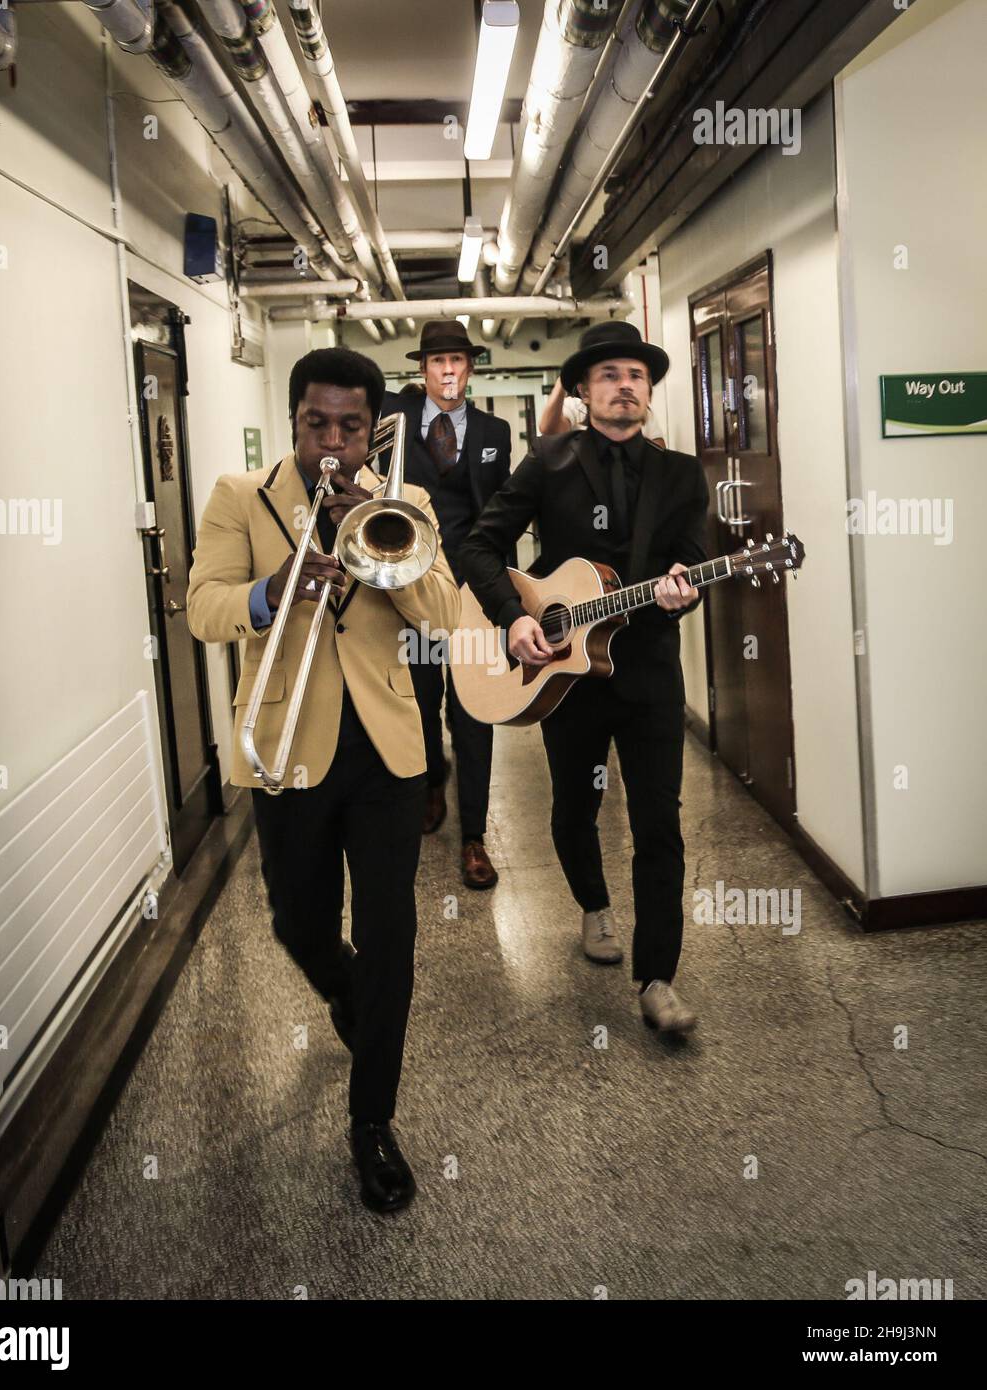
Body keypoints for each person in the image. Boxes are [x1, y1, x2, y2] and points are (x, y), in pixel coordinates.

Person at [186, 347, 460, 1213]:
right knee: (298, 923)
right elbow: (202, 609)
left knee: (392, 938)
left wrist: (383, 540)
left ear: (369, 426)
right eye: (316, 425)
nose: (331, 444)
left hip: (383, 755)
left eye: (349, 426)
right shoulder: (241, 497)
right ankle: (346, 994)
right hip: (286, 744)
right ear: (293, 417)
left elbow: (447, 616)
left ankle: (371, 1122)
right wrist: (272, 590)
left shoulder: (403, 501)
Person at [459, 322, 708, 1034]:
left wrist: (686, 587)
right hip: (564, 675)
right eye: (607, 375)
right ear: (581, 392)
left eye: (634, 374)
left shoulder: (681, 474)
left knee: (659, 823)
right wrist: (512, 615)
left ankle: (657, 976)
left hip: (651, 673)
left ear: (649, 389)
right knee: (574, 808)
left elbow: (693, 560)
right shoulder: (547, 463)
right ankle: (593, 908)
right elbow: (481, 543)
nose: (623, 385)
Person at [382, 319, 512, 890]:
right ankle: (433, 781)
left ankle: (474, 837)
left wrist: (504, 596)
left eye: (457, 361)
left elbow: (502, 517)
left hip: (474, 594)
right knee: (423, 699)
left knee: (474, 711)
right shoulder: (397, 423)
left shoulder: (495, 430)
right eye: (438, 363)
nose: (449, 372)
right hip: (415, 591)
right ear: (423, 371)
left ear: (470, 368)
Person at [539, 376, 667, 448]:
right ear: (585, 390)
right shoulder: (574, 406)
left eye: (634, 376)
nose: (623, 386)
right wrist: (563, 380)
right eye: (609, 377)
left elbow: (658, 451)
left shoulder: (639, 412)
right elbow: (549, 429)